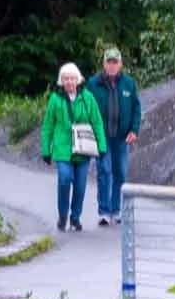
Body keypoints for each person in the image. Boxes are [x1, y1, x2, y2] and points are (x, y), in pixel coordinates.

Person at [36, 63, 106, 234]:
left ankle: (75, 218)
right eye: (66, 78)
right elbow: (48, 126)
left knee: (81, 187)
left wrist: (101, 146)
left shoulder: (87, 97)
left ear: (78, 79)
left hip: (82, 148)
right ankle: (63, 215)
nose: (69, 82)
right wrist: (46, 150)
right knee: (65, 179)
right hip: (62, 149)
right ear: (62, 81)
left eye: (72, 78)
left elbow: (97, 122)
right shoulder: (55, 99)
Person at [86, 47, 143, 228]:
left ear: (120, 64)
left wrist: (134, 130)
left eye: (115, 62)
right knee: (104, 171)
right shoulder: (93, 84)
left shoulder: (129, 84)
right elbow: (86, 107)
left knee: (121, 172)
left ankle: (116, 210)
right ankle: (104, 211)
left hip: (121, 137)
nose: (111, 65)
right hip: (101, 136)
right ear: (104, 64)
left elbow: (136, 108)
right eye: (108, 62)